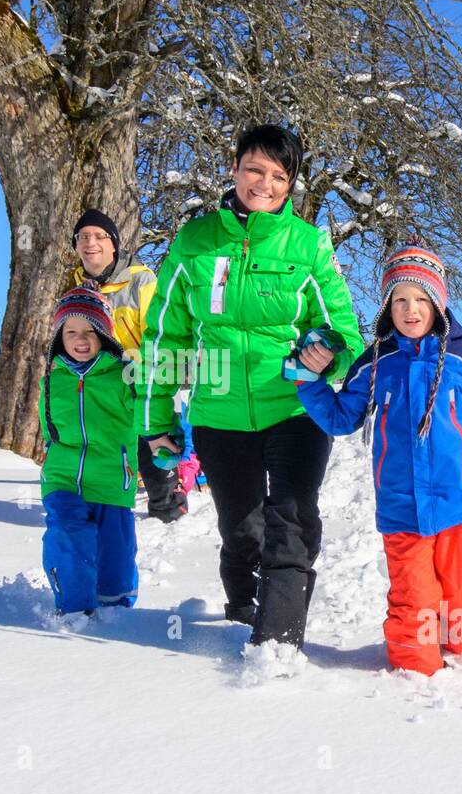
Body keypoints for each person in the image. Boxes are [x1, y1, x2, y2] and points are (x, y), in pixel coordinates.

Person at [136, 124, 363, 648]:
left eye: (279, 176)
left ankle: (277, 645)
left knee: (292, 520)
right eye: (255, 169)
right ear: (234, 168)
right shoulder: (195, 241)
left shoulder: (307, 246)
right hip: (219, 415)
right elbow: (163, 336)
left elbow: (345, 332)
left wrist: (328, 352)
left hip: (294, 410)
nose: (265, 183)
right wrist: (157, 422)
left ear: (291, 186)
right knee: (242, 530)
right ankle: (242, 603)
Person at [293, 244, 462, 674]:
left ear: (438, 305)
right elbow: (341, 418)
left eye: (421, 299)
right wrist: (311, 382)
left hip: (461, 501)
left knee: (460, 590)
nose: (411, 309)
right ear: (387, 307)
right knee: (413, 595)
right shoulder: (375, 365)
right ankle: (413, 669)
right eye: (400, 299)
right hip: (402, 504)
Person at [66, 208, 188, 524]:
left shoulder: (141, 281)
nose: (90, 243)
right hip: (96, 386)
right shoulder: (77, 290)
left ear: (114, 244)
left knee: (150, 446)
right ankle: (103, 508)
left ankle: (167, 506)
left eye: (98, 236)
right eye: (83, 237)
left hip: (139, 378)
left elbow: (161, 332)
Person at [37, 287, 140, 618]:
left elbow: (149, 416)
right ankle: (74, 608)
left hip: (112, 476)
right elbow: (48, 423)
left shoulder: (126, 374)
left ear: (104, 335)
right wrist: (51, 454)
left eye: (89, 331)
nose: (80, 339)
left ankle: (115, 613)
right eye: (70, 332)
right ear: (60, 337)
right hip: (63, 476)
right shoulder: (53, 379)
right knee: (66, 533)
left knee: (115, 557)